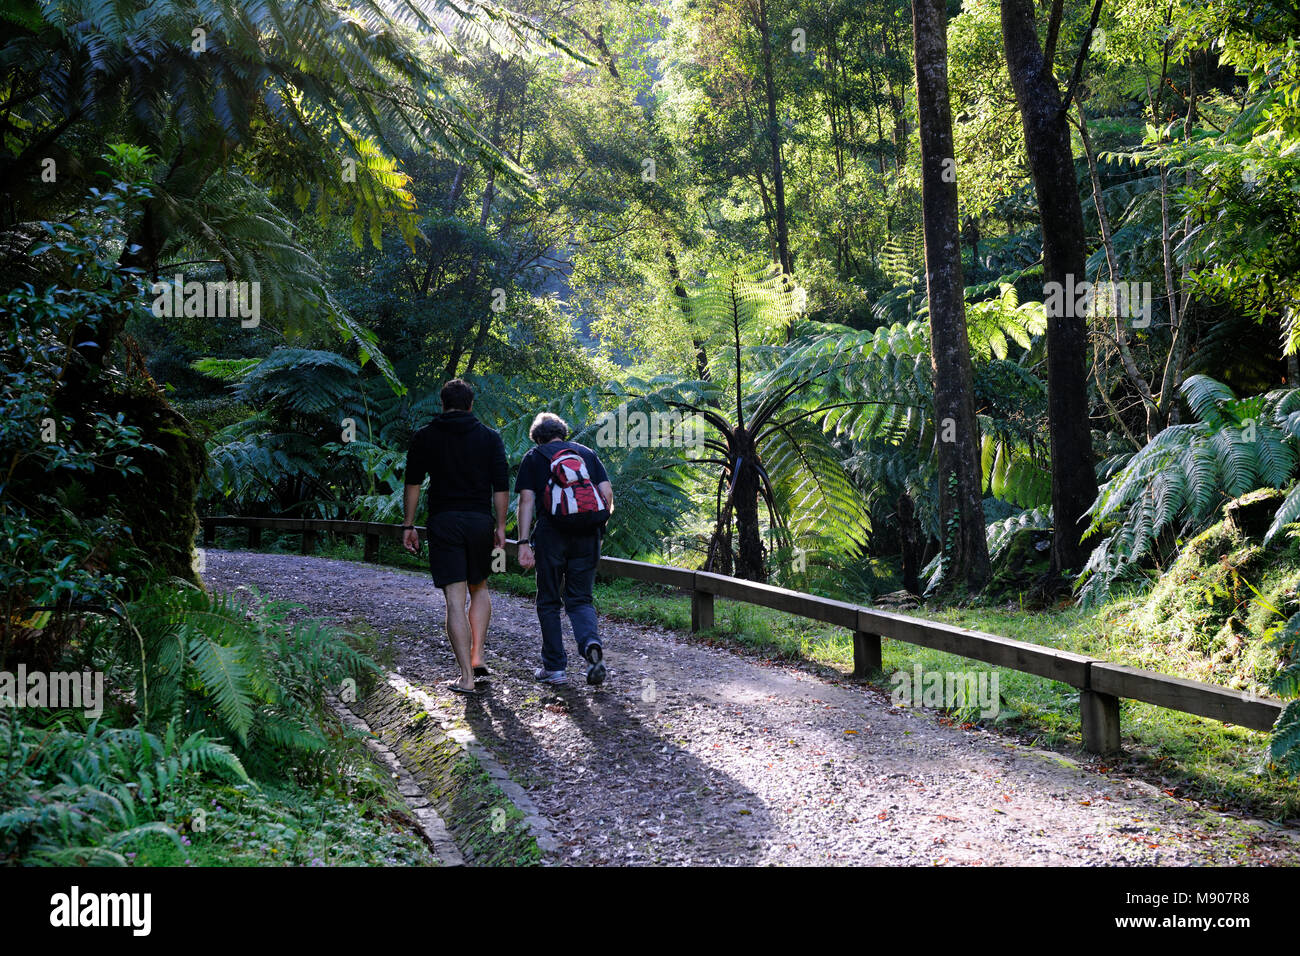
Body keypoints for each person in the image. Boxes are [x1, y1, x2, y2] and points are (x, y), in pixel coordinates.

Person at [402, 379, 508, 695]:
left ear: (443, 403)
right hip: (479, 521)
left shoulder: (425, 436)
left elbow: (413, 484)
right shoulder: (490, 438)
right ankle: (478, 657)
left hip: (444, 521)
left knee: (454, 599)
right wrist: (500, 527)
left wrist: (408, 525)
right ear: (471, 404)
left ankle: (466, 678)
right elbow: (501, 487)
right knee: (480, 587)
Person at [515, 412, 613, 686]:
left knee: (548, 601)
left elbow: (526, 501)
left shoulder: (535, 457)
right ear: (563, 432)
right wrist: (598, 529)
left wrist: (523, 543)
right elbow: (606, 494)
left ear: (537, 436)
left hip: (551, 536)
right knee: (581, 599)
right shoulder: (587, 454)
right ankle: (590, 644)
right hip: (588, 535)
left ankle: (555, 668)